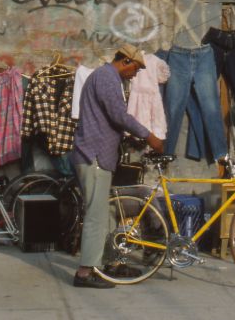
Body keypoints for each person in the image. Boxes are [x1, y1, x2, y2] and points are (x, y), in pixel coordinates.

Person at [69, 44, 164, 289]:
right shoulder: (106, 77)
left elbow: (110, 119)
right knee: (96, 215)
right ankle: (85, 272)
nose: (135, 74)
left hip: (99, 155)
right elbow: (119, 115)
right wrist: (149, 136)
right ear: (125, 61)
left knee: (107, 212)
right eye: (136, 68)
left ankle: (108, 263)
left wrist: (131, 138)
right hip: (94, 155)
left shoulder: (106, 77)